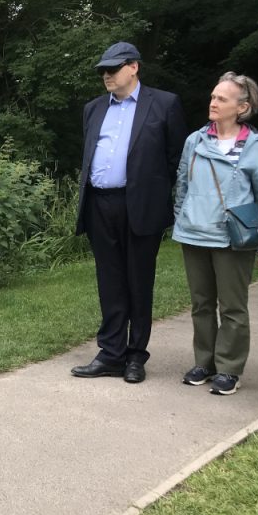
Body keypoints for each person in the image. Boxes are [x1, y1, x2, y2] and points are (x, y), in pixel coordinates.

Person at [72, 41, 188, 383]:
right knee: (109, 282)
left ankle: (136, 356)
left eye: (113, 68)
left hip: (141, 205)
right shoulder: (93, 109)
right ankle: (111, 354)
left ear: (134, 67)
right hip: (99, 204)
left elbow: (176, 159)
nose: (106, 75)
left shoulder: (164, 104)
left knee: (139, 281)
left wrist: (155, 193)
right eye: (103, 70)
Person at [171, 72, 258, 395]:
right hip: (194, 233)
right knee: (201, 304)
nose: (213, 102)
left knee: (232, 307)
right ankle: (204, 363)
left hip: (233, 239)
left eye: (222, 98)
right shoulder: (195, 141)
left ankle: (229, 368)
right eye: (213, 96)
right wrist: (182, 217)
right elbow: (182, 185)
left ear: (242, 107)